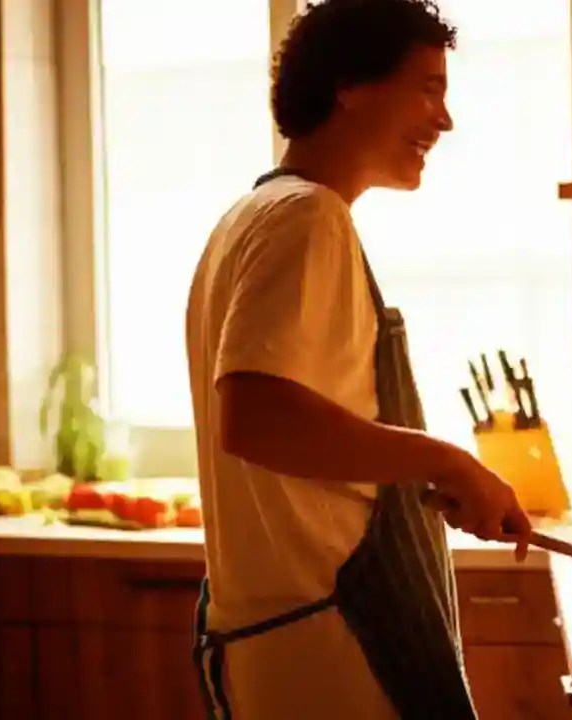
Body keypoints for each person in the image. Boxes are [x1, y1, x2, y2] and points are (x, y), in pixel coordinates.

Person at [183, 1, 532, 718]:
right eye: (428, 87)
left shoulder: (246, 220)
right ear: (350, 86)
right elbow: (255, 417)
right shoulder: (306, 218)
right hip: (332, 648)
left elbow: (295, 429)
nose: (444, 118)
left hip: (285, 646)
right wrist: (448, 461)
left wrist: (423, 473)